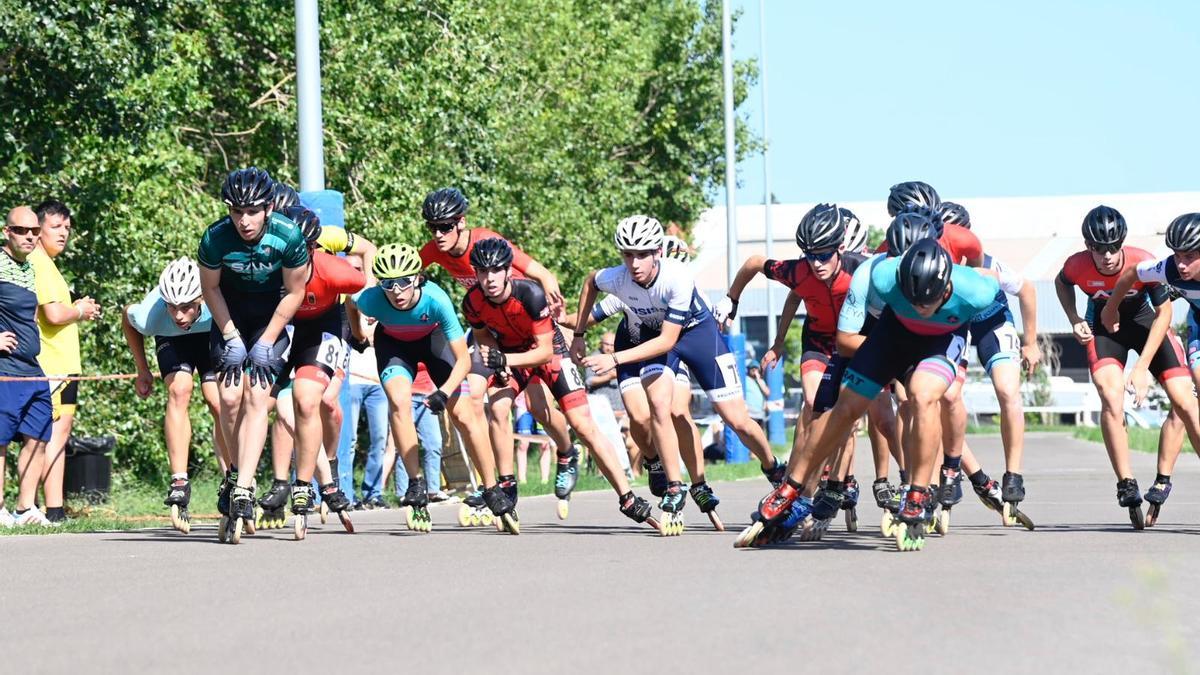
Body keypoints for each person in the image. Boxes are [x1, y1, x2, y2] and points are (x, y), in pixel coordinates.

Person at [736, 238, 999, 552]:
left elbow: (1015, 285)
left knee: (922, 396)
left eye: (927, 302)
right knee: (845, 407)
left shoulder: (978, 290)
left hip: (941, 339)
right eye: (912, 299)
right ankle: (791, 488)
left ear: (946, 289)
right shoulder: (882, 276)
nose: (919, 308)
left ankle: (917, 492)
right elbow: (844, 336)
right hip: (894, 334)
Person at [575, 215, 784, 534]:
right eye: (627, 254)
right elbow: (590, 282)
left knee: (737, 419)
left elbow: (669, 339)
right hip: (657, 339)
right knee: (661, 406)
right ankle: (675, 485)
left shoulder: (678, 278)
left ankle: (773, 468)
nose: (634, 263)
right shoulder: (618, 280)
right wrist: (576, 333)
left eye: (642, 254)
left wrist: (613, 359)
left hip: (694, 334)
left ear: (658, 252)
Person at [464, 237, 657, 532]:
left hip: (548, 352)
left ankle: (627, 496)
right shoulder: (473, 301)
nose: (489, 279)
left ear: (508, 271)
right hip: (510, 354)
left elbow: (542, 351)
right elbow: (482, 336)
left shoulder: (530, 294)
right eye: (482, 272)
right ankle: (507, 484)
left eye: (496, 271)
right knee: (499, 407)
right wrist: (495, 359)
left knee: (582, 424)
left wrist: (503, 361)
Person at [349, 243, 513, 533]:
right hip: (396, 346)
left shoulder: (437, 299)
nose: (397, 291)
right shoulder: (373, 299)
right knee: (398, 402)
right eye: (388, 284)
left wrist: (443, 392)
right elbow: (351, 301)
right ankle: (415, 483)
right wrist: (359, 333)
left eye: (404, 282)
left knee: (464, 415)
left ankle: (492, 488)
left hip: (434, 342)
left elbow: (463, 359)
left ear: (417, 278)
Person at [1057, 205, 1200, 529]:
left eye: (1113, 247)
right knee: (1111, 394)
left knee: (1186, 403)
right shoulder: (1077, 266)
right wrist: (1082, 316)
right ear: (1087, 246)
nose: (1106, 255)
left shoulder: (1142, 258)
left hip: (1147, 323)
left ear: (1123, 242)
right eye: (1098, 248)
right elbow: (1064, 283)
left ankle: (1163, 479)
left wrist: (1141, 367)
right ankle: (1126, 481)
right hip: (1108, 331)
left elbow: (1162, 314)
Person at [198, 167, 309, 543]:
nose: (244, 221)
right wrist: (230, 335)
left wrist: (267, 341)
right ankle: (233, 471)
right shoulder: (215, 237)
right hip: (229, 314)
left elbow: (295, 292)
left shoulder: (288, 235)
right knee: (228, 399)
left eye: (252, 211)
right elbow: (209, 289)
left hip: (269, 317)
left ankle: (244, 486)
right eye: (236, 212)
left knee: (257, 395)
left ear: (269, 207)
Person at [1098, 211, 1200, 526]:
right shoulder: (1168, 269)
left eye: (1191, 257)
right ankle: (1163, 477)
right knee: (1189, 399)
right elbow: (1130, 274)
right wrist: (1111, 307)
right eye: (1178, 256)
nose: (1182, 264)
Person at [121, 257, 229, 532]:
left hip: (209, 336)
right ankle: (179, 479)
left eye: (186, 308)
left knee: (218, 401)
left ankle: (233, 475)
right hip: (172, 341)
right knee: (179, 390)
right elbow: (128, 318)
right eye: (172, 307)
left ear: (201, 298)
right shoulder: (152, 314)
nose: (179, 315)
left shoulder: (218, 295)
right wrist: (142, 369)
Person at [29, 199, 101, 523]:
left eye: (67, 228)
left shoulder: (51, 265)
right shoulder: (38, 262)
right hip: (51, 364)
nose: (63, 234)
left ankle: (55, 509)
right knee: (48, 435)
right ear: (38, 228)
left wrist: (77, 307)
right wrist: (80, 311)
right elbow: (54, 313)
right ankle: (36, 508)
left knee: (61, 432)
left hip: (66, 365)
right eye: (56, 227)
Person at [0, 207, 56, 527]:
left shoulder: (30, 267)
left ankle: (25, 509)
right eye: (22, 230)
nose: (30, 236)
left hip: (31, 367)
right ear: (7, 231)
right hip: (4, 368)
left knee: (38, 435)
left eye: (35, 231)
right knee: (0, 439)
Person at [744, 363, 768, 430]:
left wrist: (758, 379)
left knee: (760, 433)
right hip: (750, 413)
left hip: (760, 413)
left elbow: (767, 392)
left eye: (756, 369)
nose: (754, 371)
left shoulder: (760, 381)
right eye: (752, 369)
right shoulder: (746, 380)